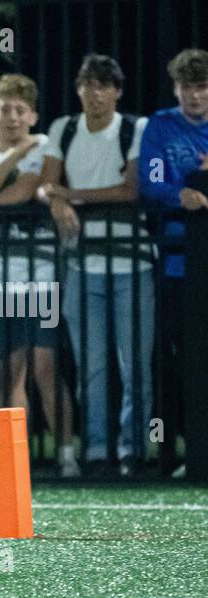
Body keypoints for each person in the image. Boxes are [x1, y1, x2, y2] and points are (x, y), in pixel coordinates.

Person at [38, 54, 153, 477]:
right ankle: (100, 450)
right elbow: (45, 185)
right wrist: (54, 198)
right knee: (92, 366)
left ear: (117, 91)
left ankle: (133, 449)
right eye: (87, 84)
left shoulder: (134, 128)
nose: (94, 93)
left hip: (133, 262)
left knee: (134, 363)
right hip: (82, 265)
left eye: (103, 85)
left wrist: (69, 195)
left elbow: (132, 190)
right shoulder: (63, 128)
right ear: (78, 89)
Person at [0, 74, 77, 477]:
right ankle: (11, 465)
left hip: (40, 274)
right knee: (9, 371)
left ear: (34, 115)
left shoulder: (48, 145)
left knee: (45, 367)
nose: (12, 118)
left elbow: (32, 187)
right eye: (5, 109)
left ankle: (67, 456)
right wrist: (15, 156)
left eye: (20, 110)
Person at [138, 48, 208, 479]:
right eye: (187, 87)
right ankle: (183, 452)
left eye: (202, 87)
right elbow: (154, 178)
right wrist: (178, 193)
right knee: (179, 360)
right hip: (179, 264)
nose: (195, 96)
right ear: (175, 88)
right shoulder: (161, 126)